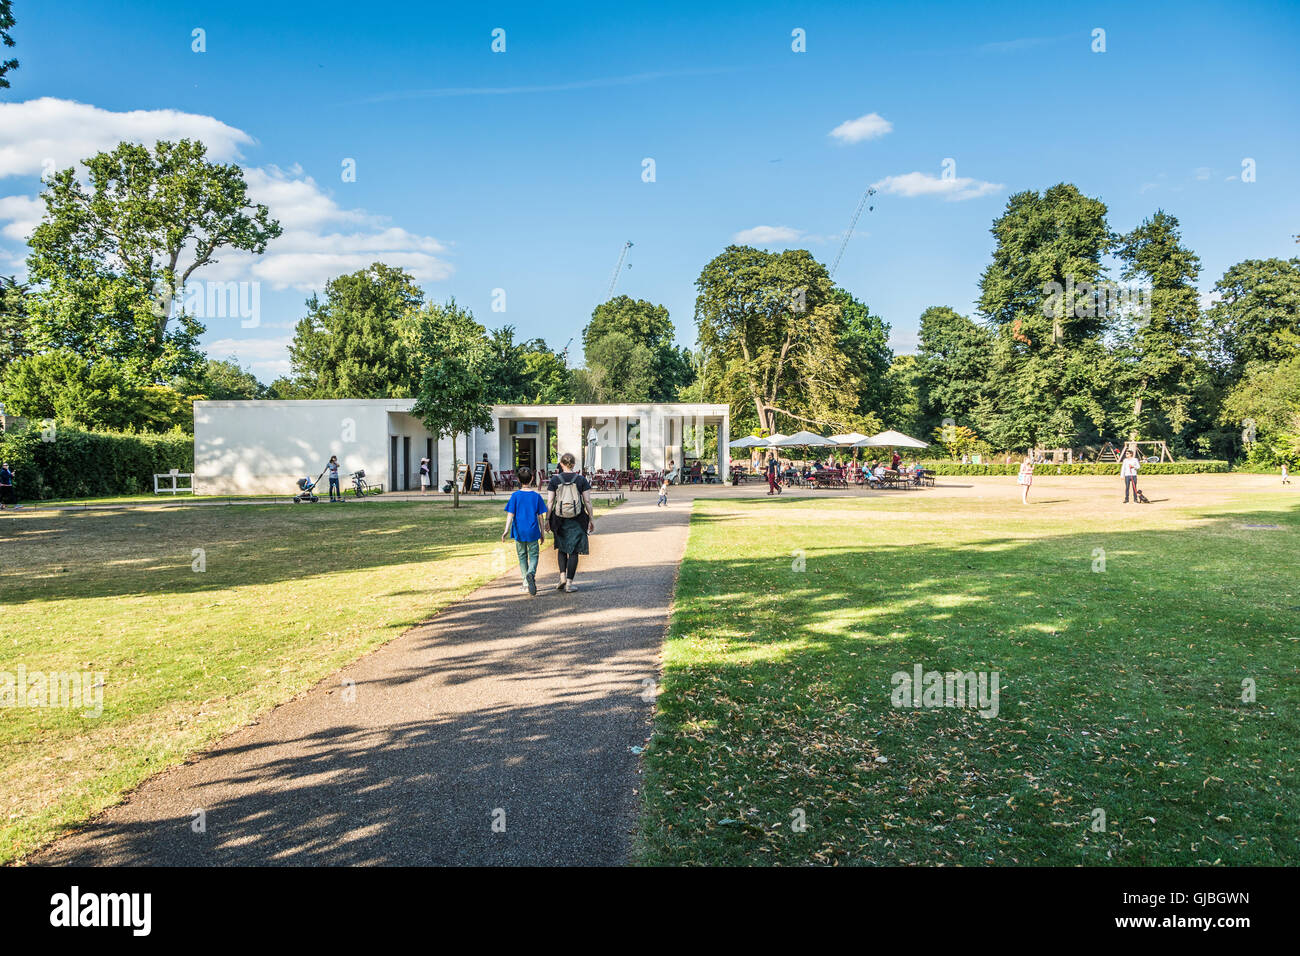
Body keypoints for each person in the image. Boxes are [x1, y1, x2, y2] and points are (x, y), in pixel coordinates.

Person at [547, 452, 595, 592]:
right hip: (577, 518)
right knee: (574, 550)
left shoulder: (555, 480)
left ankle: (562, 577)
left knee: (562, 548)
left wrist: (547, 520)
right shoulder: (581, 480)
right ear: (574, 464)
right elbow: (587, 501)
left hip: (559, 519)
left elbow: (550, 502)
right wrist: (591, 519)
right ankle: (569, 583)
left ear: (561, 464)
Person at [501, 465, 547, 596]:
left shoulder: (515, 496)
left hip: (519, 531)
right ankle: (531, 573)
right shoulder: (536, 496)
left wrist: (506, 530)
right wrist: (542, 533)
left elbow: (510, 514)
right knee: (534, 555)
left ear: (518, 480)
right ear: (532, 479)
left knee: (522, 556)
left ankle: (525, 583)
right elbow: (540, 516)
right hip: (533, 531)